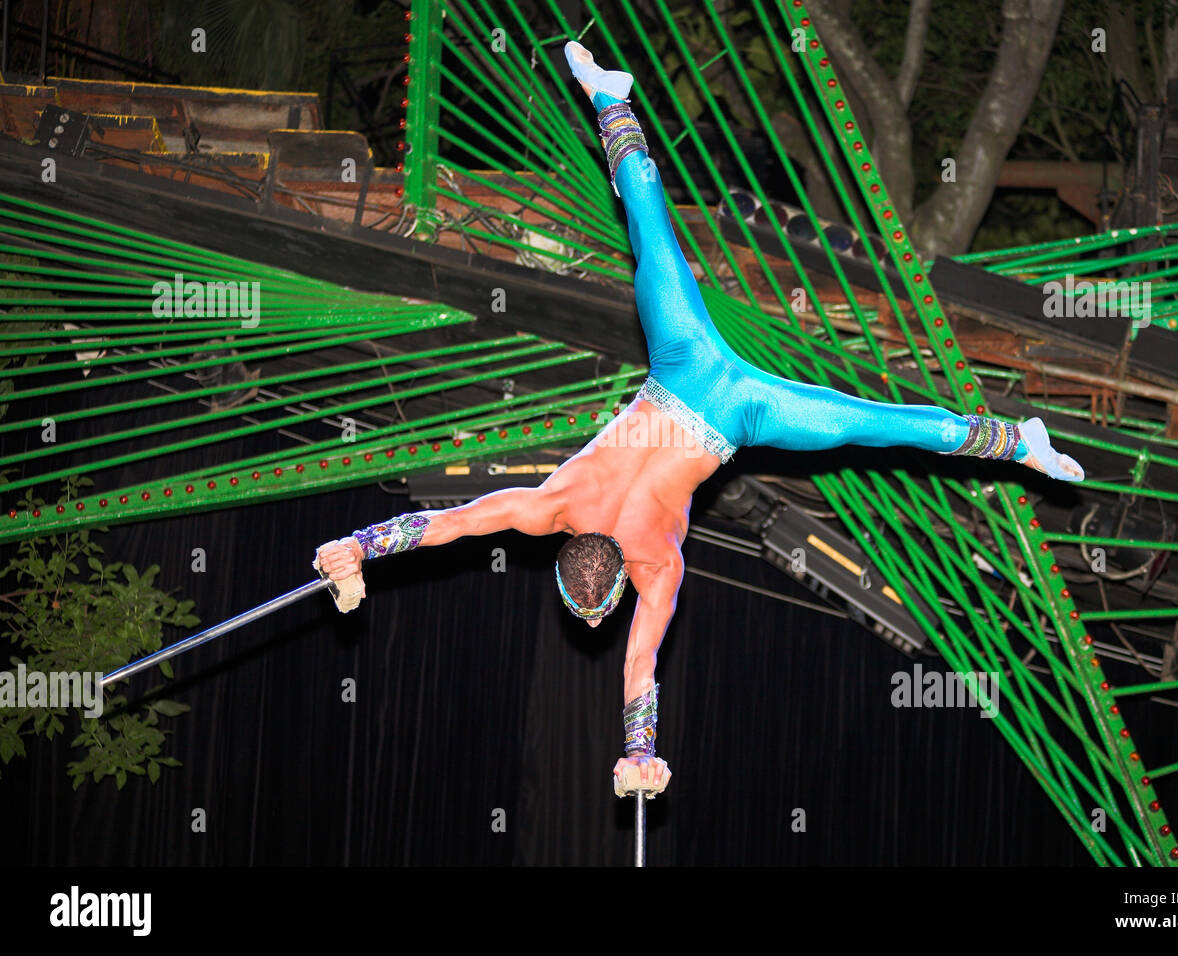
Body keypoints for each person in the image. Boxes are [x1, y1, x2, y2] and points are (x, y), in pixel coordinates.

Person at [315, 42, 1084, 800]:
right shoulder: (551, 505)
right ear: (565, 559)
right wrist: (358, 548)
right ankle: (608, 96)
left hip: (741, 415)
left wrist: (642, 754)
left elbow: (638, 667)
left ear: (613, 587)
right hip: (680, 367)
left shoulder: (656, 565)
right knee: (651, 229)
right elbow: (447, 525)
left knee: (879, 426)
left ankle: (1019, 443)